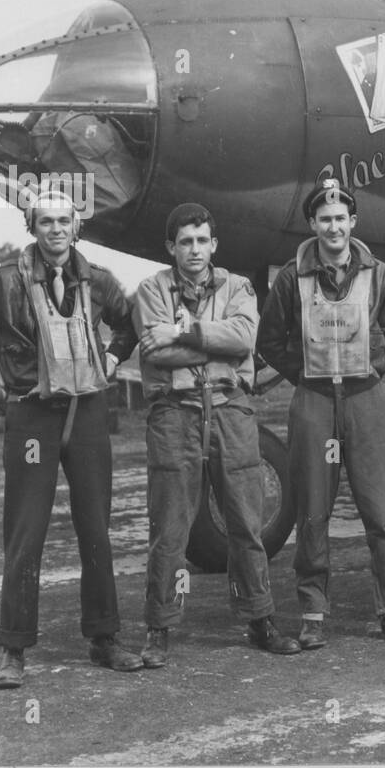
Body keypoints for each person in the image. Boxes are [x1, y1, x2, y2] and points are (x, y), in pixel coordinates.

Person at [0, 186, 142, 688]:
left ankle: (104, 638)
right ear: (32, 228)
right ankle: (13, 650)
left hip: (88, 410)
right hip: (31, 415)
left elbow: (130, 324)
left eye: (64, 221)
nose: (56, 229)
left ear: (77, 228)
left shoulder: (97, 281)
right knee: (25, 531)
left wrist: (115, 358)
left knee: (96, 526)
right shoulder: (2, 281)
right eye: (46, 221)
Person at [133, 203, 300, 666]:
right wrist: (211, 346)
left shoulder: (239, 286)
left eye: (202, 240)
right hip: (175, 413)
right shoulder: (150, 290)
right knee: (169, 527)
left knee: (247, 523)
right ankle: (159, 628)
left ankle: (260, 619)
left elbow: (245, 339)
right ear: (171, 247)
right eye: (185, 241)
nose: (194, 250)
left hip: (230, 411)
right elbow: (154, 354)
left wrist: (183, 330)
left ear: (214, 244)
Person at [256, 180, 385, 647]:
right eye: (324, 219)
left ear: (353, 222)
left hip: (367, 399)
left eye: (340, 218)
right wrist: (305, 373)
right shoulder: (292, 276)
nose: (333, 226)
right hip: (314, 402)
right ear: (313, 224)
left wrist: (373, 366)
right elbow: (269, 341)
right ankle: (312, 612)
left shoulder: (378, 272)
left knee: (381, 512)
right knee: (312, 510)